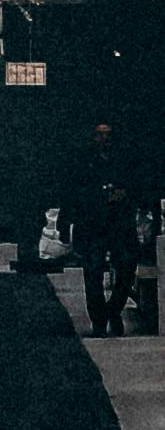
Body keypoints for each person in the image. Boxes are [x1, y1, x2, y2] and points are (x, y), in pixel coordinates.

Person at [69, 123, 142, 337]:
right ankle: (99, 318)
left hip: (120, 223)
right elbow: (75, 190)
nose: (105, 139)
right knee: (93, 274)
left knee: (127, 269)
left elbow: (137, 185)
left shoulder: (124, 161)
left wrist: (124, 194)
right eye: (100, 135)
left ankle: (112, 309)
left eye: (108, 135)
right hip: (94, 224)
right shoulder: (84, 161)